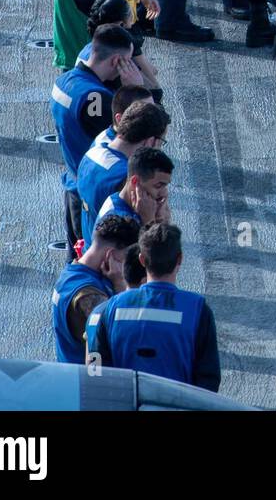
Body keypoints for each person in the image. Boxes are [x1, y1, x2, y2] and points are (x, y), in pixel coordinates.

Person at [88, 221, 221, 392]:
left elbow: (95, 372)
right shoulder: (198, 310)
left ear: (142, 259)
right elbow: (208, 379)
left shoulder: (110, 309)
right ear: (179, 259)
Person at [51, 24, 141, 257]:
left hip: (72, 183)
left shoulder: (65, 81)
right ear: (117, 62)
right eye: (128, 61)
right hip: (89, 196)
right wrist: (135, 89)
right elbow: (128, 134)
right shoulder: (96, 98)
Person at [75, 100, 169, 245]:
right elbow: (157, 233)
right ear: (150, 142)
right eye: (161, 143)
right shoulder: (130, 179)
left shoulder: (92, 152)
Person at [51, 213, 139, 364]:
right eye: (127, 259)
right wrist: (120, 284)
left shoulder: (72, 272)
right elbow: (125, 335)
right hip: (86, 381)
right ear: (111, 255)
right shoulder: (88, 295)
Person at [80, 0, 161, 102]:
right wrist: (138, 88)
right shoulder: (118, 62)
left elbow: (153, 70)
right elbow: (154, 89)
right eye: (130, 17)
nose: (132, 24)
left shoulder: (92, 47)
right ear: (120, 25)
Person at [97, 147, 172, 227]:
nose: (164, 193)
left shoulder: (118, 199)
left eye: (166, 185)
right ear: (135, 182)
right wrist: (148, 221)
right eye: (158, 186)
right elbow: (155, 239)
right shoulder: (118, 221)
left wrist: (159, 217)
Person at [89, 83, 153, 153]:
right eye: (144, 114)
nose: (154, 117)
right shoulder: (113, 152)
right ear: (120, 119)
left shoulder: (111, 137)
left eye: (154, 110)